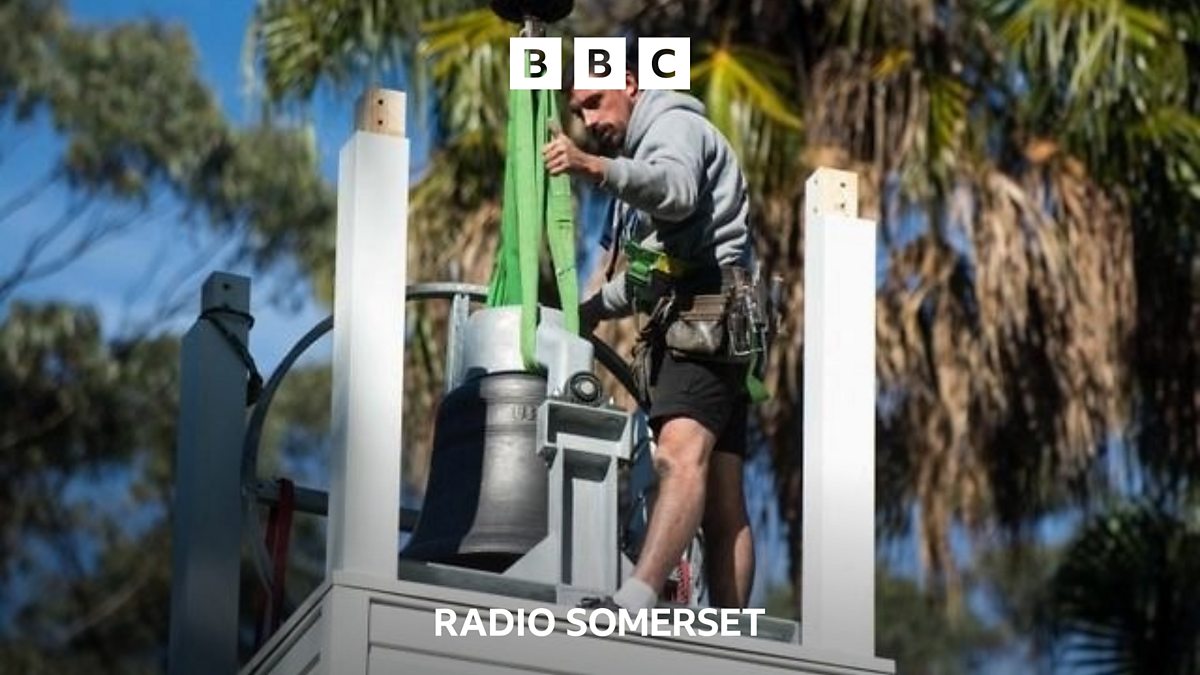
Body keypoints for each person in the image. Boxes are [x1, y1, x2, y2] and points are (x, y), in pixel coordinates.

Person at [542, 48, 758, 610]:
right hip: (710, 317)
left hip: (705, 311)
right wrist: (587, 311)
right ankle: (730, 633)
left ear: (632, 83)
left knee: (676, 457)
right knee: (722, 499)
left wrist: (593, 167)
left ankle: (633, 602)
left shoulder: (672, 127)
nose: (589, 122)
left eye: (595, 102)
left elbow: (677, 192)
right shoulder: (642, 153)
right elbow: (641, 274)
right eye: (578, 112)